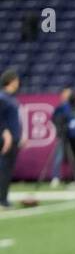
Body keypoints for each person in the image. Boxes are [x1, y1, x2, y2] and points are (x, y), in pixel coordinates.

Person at [45, 87, 75, 186]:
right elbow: (54, 119)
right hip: (62, 135)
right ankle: (55, 177)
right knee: (59, 156)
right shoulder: (60, 107)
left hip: (74, 136)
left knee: (74, 157)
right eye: (66, 94)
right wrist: (60, 129)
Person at [0, 70, 21, 209]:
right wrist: (5, 132)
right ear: (11, 81)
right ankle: (2, 200)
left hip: (13, 138)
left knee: (7, 169)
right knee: (4, 169)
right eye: (16, 80)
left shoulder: (11, 98)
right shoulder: (2, 97)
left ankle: (4, 198)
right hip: (5, 139)